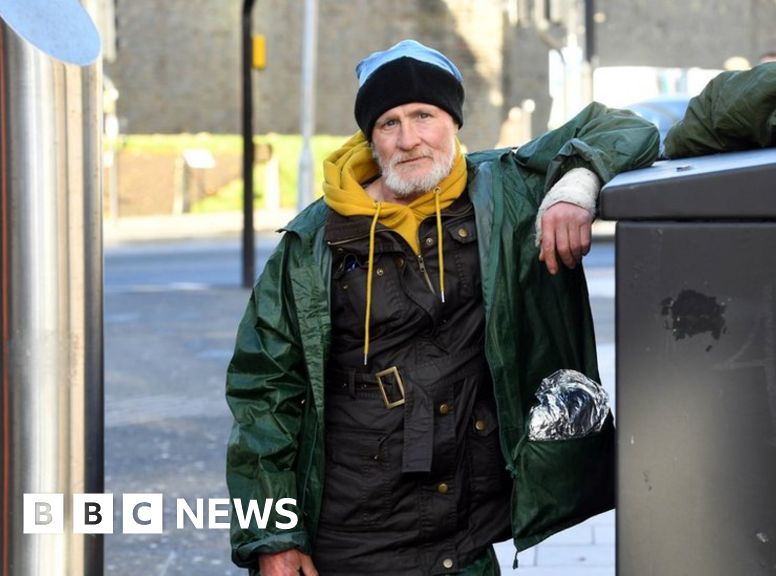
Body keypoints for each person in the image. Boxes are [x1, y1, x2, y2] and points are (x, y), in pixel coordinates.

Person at [225, 39, 659, 576]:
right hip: (351, 533)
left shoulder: (505, 193)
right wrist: (271, 537)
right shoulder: (313, 242)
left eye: (424, 115)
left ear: (453, 121)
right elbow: (262, 392)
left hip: (465, 534)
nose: (409, 139)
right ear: (371, 137)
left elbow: (628, 127)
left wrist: (577, 182)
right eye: (389, 123)